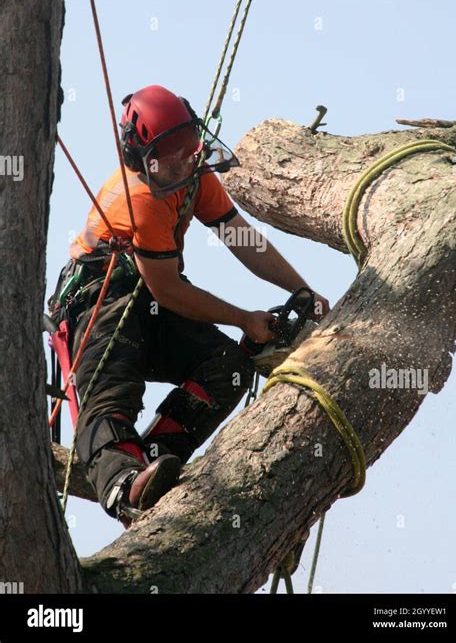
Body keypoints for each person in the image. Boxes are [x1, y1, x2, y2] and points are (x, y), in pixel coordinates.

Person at [49, 84, 330, 527]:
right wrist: (243, 318)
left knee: (226, 367)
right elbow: (169, 292)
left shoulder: (192, 175)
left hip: (151, 301)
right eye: (172, 152)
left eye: (187, 146)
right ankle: (124, 485)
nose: (185, 157)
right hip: (100, 301)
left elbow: (241, 237)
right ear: (144, 159)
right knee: (112, 395)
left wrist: (303, 292)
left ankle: (159, 461)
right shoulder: (140, 197)